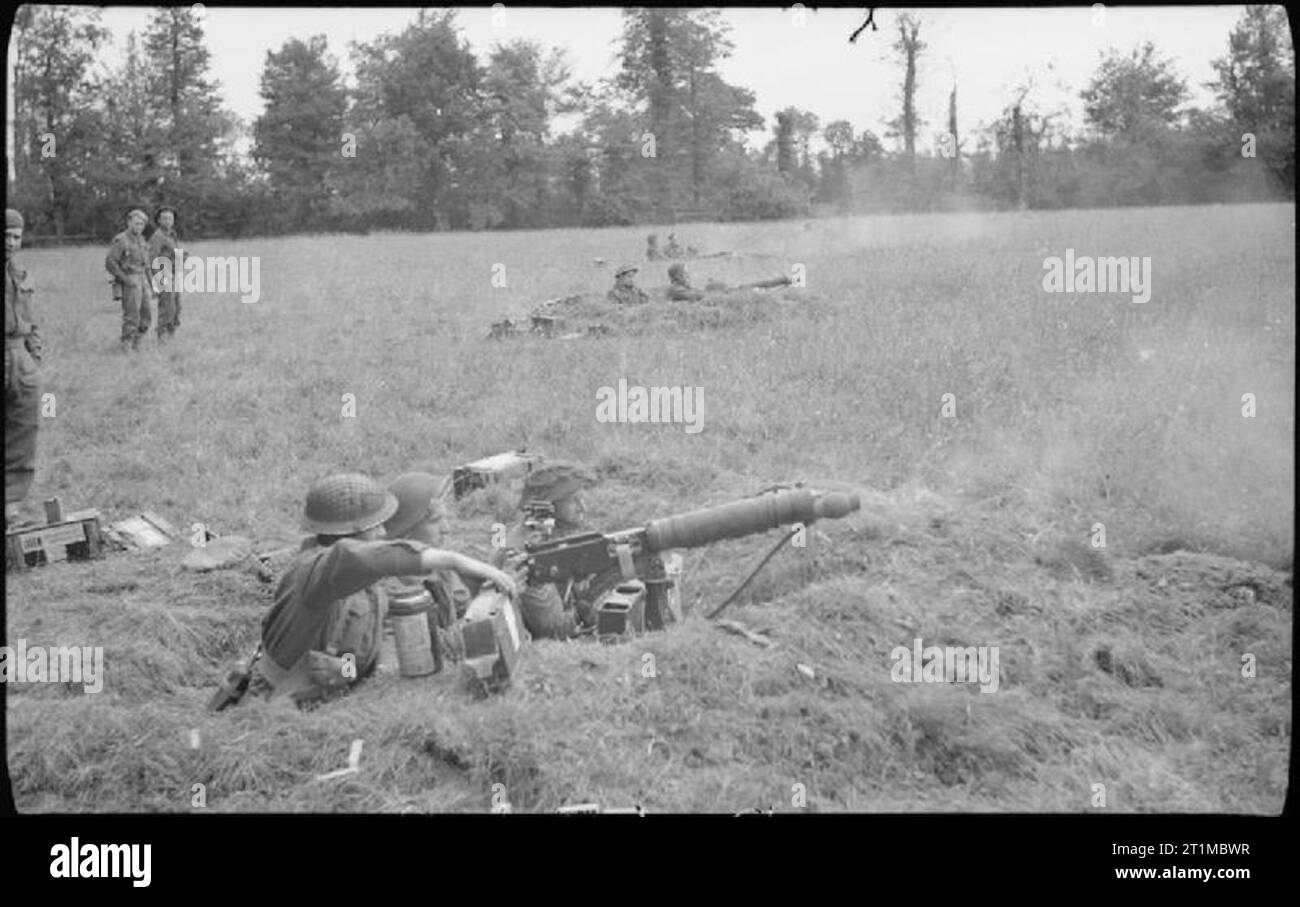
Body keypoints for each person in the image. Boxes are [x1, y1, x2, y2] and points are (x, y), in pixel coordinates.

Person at [244, 473, 518, 705]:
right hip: (276, 710)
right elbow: (348, 558)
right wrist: (455, 560)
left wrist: (348, 669)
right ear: (349, 534)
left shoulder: (367, 588)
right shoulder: (312, 573)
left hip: (327, 704)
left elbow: (365, 657)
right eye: (374, 527)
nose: (383, 535)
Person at [494, 462, 599, 640]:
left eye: (581, 498)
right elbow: (551, 629)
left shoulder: (552, 537)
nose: (583, 507)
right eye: (573, 500)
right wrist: (584, 612)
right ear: (547, 506)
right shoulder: (524, 554)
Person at [383, 471, 477, 661]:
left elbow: (463, 611)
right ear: (406, 532)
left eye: (445, 519)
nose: (446, 529)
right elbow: (395, 662)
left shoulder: (439, 568)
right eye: (435, 522)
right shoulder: (388, 592)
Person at [5, 208, 42, 529]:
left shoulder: (19, 274)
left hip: (20, 355)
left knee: (23, 429)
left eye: (16, 237)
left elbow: (32, 320)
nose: (10, 242)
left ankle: (11, 506)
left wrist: (35, 359)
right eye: (5, 235)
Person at [105, 209, 154, 352]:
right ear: (129, 223)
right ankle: (126, 344)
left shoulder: (142, 240)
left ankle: (137, 342)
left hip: (143, 278)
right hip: (130, 278)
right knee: (132, 315)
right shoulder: (120, 240)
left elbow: (147, 265)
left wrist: (153, 285)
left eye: (142, 224)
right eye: (136, 223)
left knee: (146, 314)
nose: (139, 227)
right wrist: (125, 280)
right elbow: (110, 263)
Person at [148, 205, 181, 341]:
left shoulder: (172, 234)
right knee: (167, 307)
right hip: (163, 275)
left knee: (176, 307)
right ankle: (162, 336)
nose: (168, 221)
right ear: (159, 220)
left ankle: (170, 334)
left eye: (170, 218)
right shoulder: (157, 236)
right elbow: (152, 259)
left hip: (173, 275)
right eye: (165, 218)